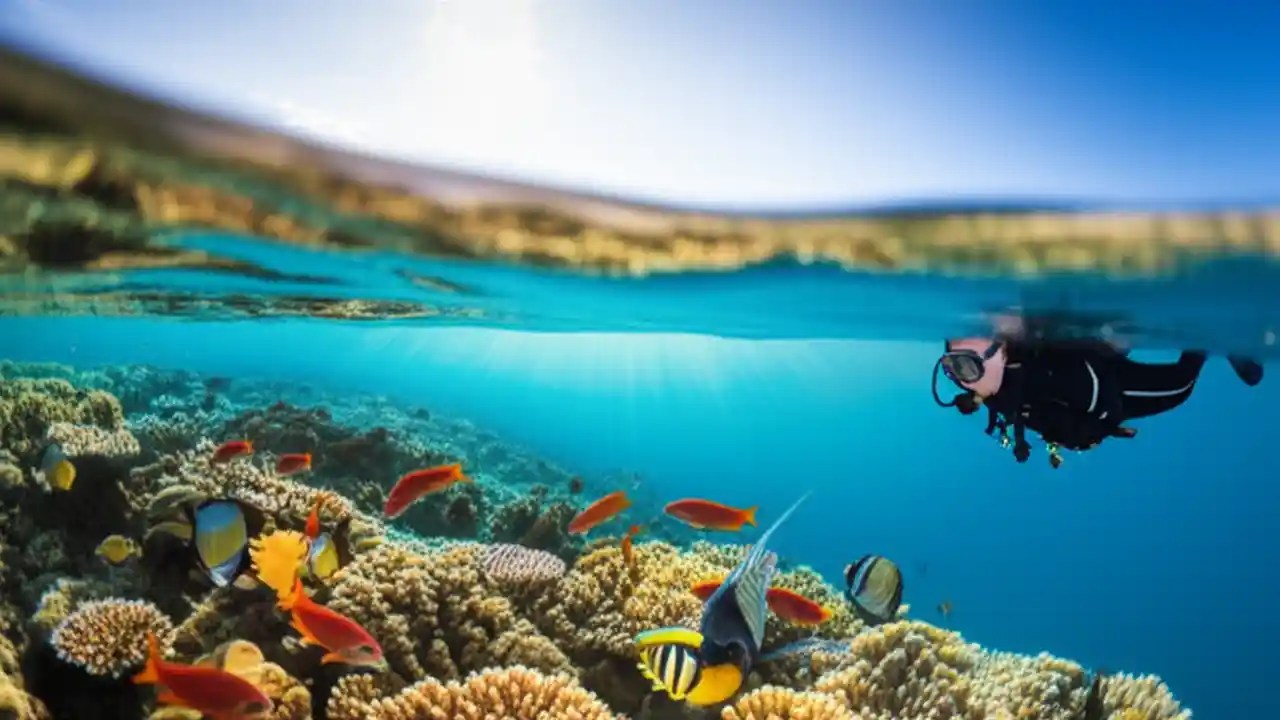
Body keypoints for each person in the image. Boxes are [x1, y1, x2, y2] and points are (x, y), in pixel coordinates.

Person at [931, 335, 1263, 467]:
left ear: (1000, 353)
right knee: (1177, 387)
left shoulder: (1025, 380)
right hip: (1103, 387)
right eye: (951, 369)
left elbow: (1079, 388)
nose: (961, 379)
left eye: (964, 365)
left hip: (1111, 389)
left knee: (1179, 388)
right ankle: (1211, 341)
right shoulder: (1003, 393)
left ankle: (1210, 339)